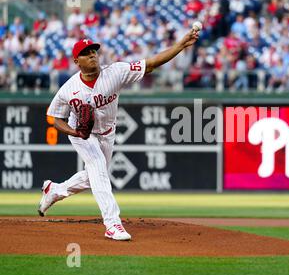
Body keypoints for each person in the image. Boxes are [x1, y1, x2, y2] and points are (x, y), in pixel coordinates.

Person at [38, 29, 199, 241]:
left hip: (107, 133)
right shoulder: (69, 89)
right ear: (77, 61)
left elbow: (150, 64)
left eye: (94, 50)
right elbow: (54, 117)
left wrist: (179, 46)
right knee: (98, 170)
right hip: (82, 134)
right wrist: (73, 131)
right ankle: (112, 224)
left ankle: (55, 190)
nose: (93, 55)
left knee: (94, 177)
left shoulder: (115, 73)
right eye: (86, 53)